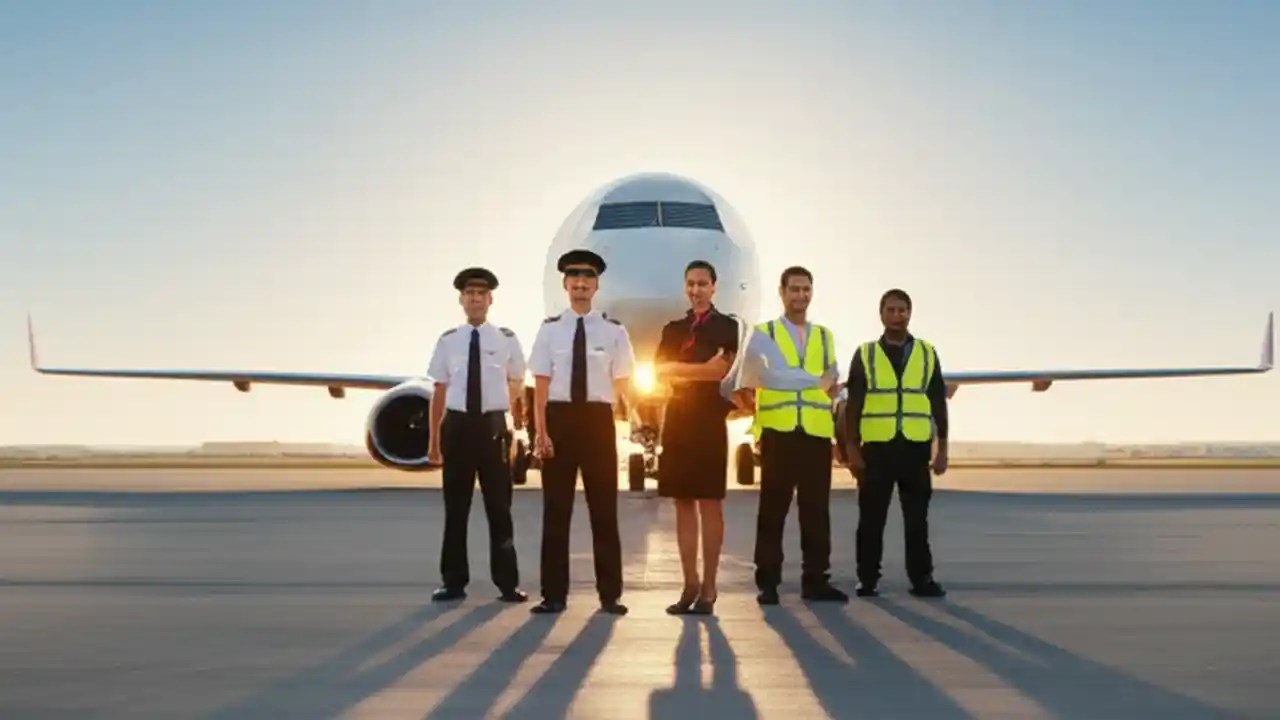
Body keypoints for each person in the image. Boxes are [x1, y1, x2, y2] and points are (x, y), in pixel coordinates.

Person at [527, 248, 637, 615]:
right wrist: (540, 433)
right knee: (555, 513)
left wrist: (628, 424)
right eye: (573, 277)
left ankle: (610, 595)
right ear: (565, 284)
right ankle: (553, 595)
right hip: (558, 422)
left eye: (587, 277)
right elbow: (541, 386)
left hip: (597, 422)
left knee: (603, 512)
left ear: (596, 284)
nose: (580, 283)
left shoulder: (614, 331)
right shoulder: (549, 330)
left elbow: (623, 384)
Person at [425, 266, 528, 603]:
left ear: (490, 299)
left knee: (500, 509)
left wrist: (510, 418)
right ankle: (453, 582)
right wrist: (434, 442)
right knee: (456, 510)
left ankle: (508, 584)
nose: (475, 299)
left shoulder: (506, 340)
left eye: (480, 294)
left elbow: (516, 383)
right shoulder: (448, 341)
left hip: (493, 428)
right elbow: (439, 391)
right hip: (457, 428)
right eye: (469, 294)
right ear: (461, 299)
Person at [750, 266, 848, 605]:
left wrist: (838, 433)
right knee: (772, 512)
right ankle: (768, 583)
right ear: (782, 292)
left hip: (816, 433)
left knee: (816, 512)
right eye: (794, 289)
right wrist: (759, 432)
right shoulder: (764, 334)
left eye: (806, 290)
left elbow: (830, 383)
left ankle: (816, 580)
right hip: (779, 432)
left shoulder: (824, 336)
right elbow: (759, 383)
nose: (801, 296)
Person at [843, 288, 948, 598]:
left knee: (917, 520)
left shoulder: (927, 353)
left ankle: (921, 578)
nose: (896, 315)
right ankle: (867, 578)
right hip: (877, 449)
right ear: (881, 314)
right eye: (891, 310)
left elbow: (938, 402)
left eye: (902, 310)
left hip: (915, 449)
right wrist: (851, 447)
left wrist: (942, 447)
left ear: (909, 314)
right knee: (871, 520)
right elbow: (854, 404)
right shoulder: (865, 354)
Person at [652, 260, 739, 615]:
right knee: (682, 503)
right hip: (678, 422)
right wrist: (699, 371)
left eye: (703, 283)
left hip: (708, 421)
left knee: (710, 503)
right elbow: (660, 371)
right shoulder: (673, 329)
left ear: (714, 287)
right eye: (691, 283)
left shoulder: (728, 327)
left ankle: (710, 587)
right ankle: (689, 583)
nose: (696, 289)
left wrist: (681, 370)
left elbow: (723, 371)